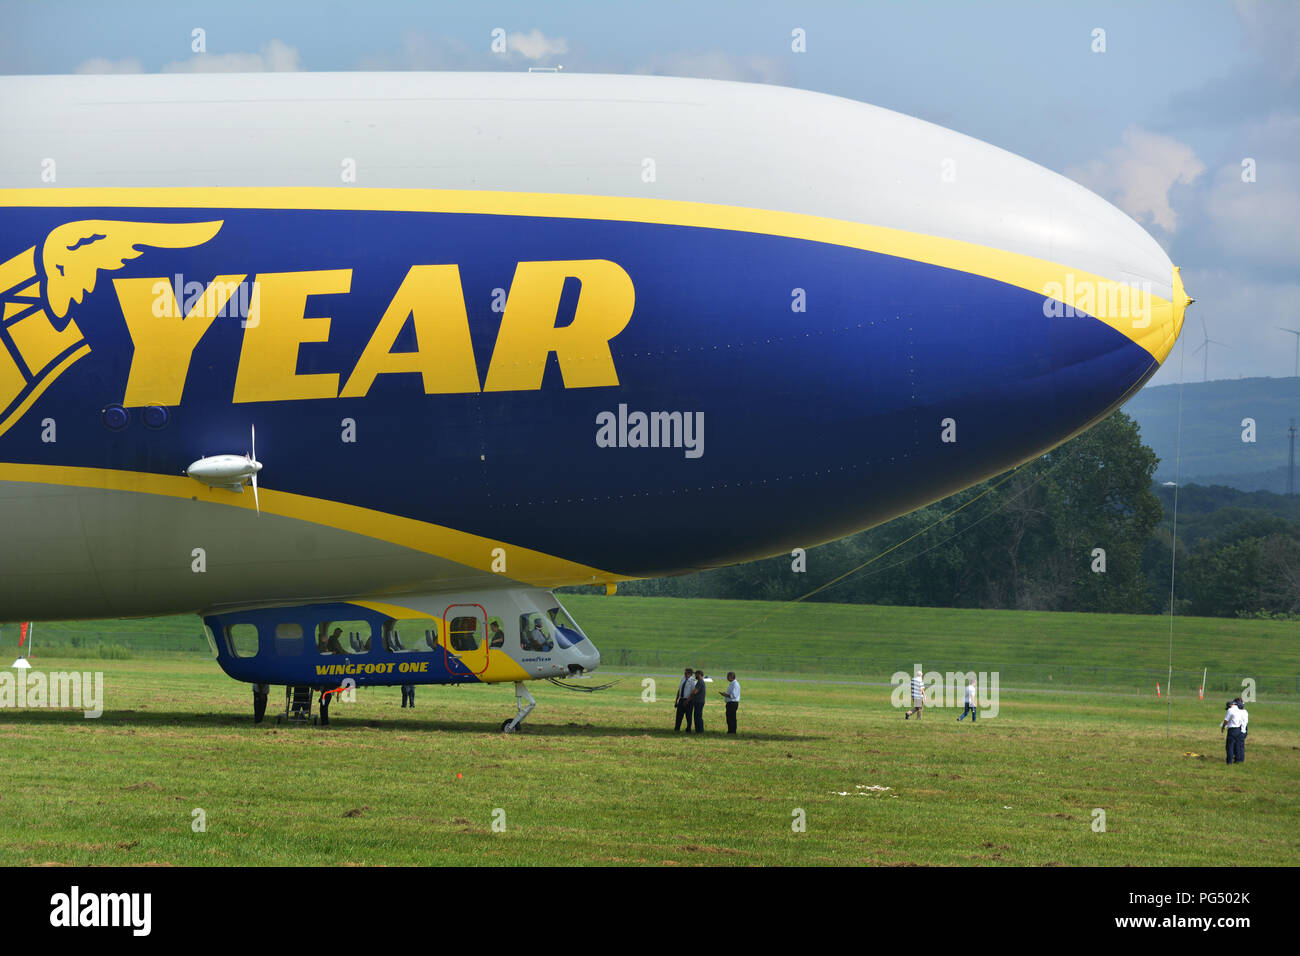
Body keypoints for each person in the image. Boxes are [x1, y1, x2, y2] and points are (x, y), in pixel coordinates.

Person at [1220, 700, 1245, 764]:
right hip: (1239, 729)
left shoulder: (1230, 710)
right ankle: (1237, 760)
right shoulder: (1240, 710)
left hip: (1232, 730)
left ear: (1230, 705)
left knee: (1229, 746)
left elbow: (1226, 720)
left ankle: (1229, 762)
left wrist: (1223, 727)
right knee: (1237, 746)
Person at [674, 667, 696, 732]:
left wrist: (687, 701)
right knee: (678, 715)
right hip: (681, 699)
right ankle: (677, 728)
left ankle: (688, 729)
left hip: (688, 700)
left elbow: (693, 693)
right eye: (685, 673)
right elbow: (679, 690)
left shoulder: (693, 681)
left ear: (690, 674)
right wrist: (676, 700)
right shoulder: (683, 679)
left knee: (688, 715)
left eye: (687, 673)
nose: (685, 674)